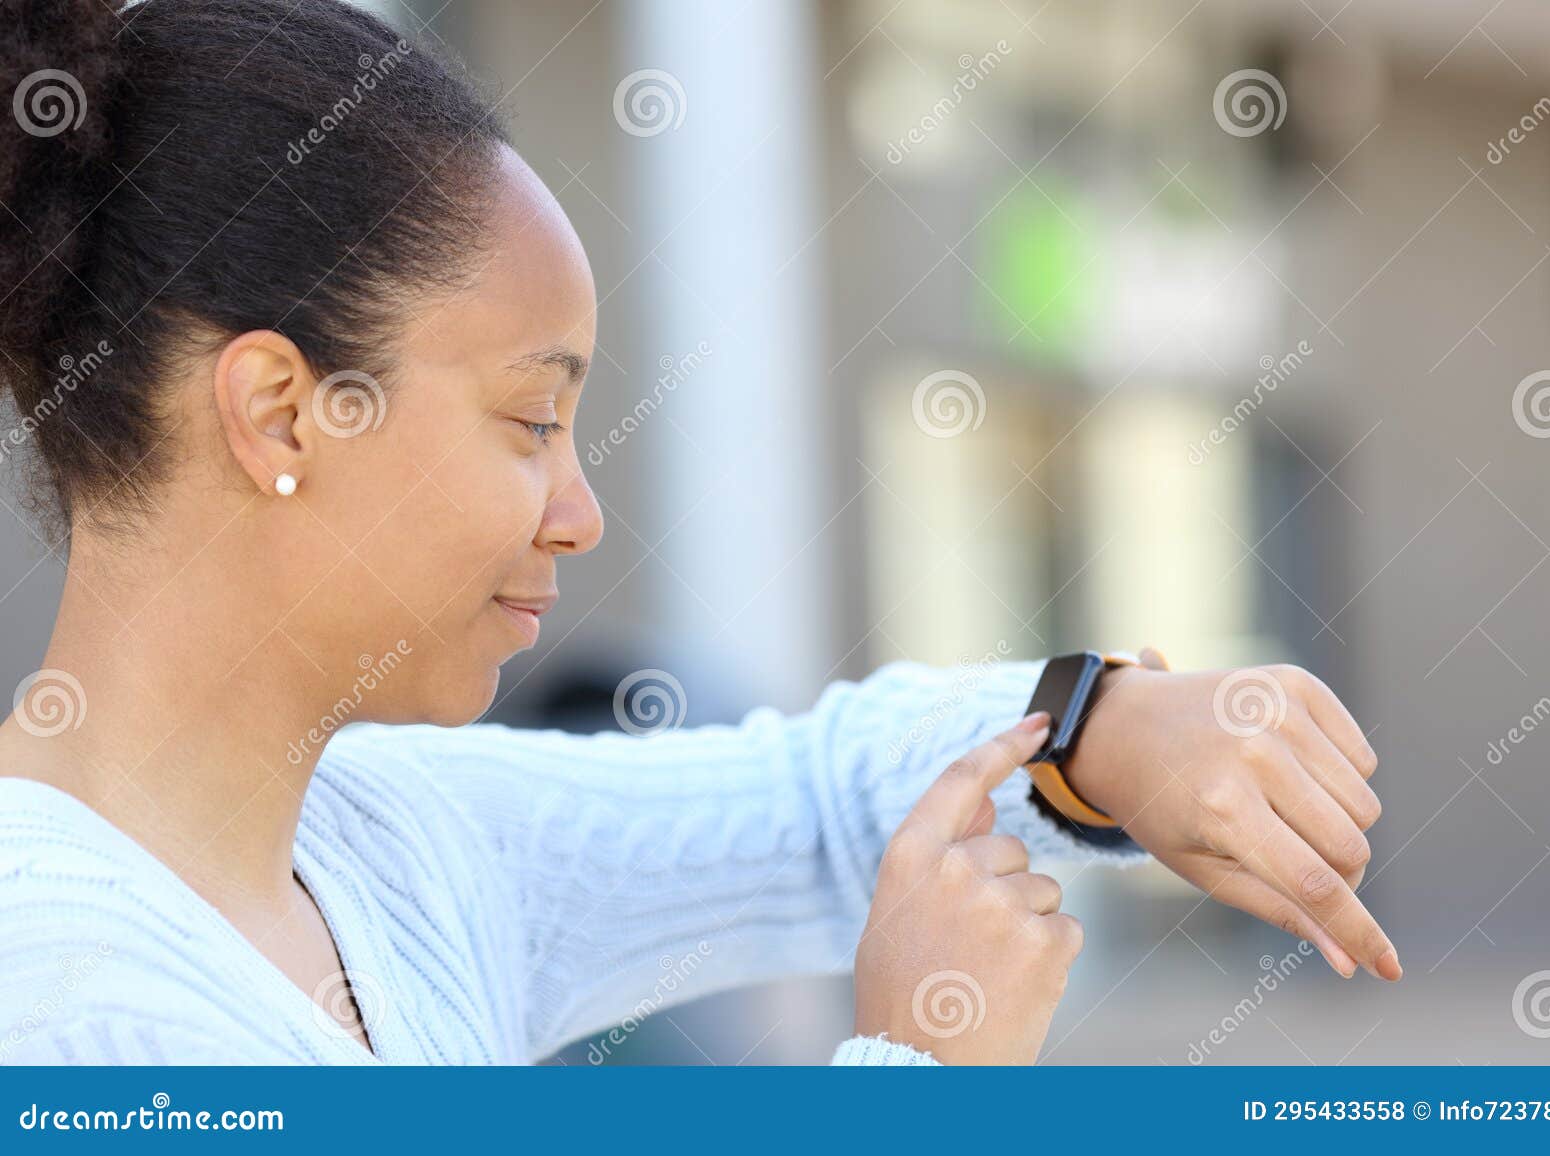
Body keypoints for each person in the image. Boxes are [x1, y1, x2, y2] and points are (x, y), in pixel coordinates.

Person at [0, 0, 1397, 1067]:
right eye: (529, 421)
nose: (580, 512)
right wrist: (920, 1070)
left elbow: (806, 807)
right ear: (283, 414)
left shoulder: (392, 838)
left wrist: (1105, 727)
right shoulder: (64, 1001)